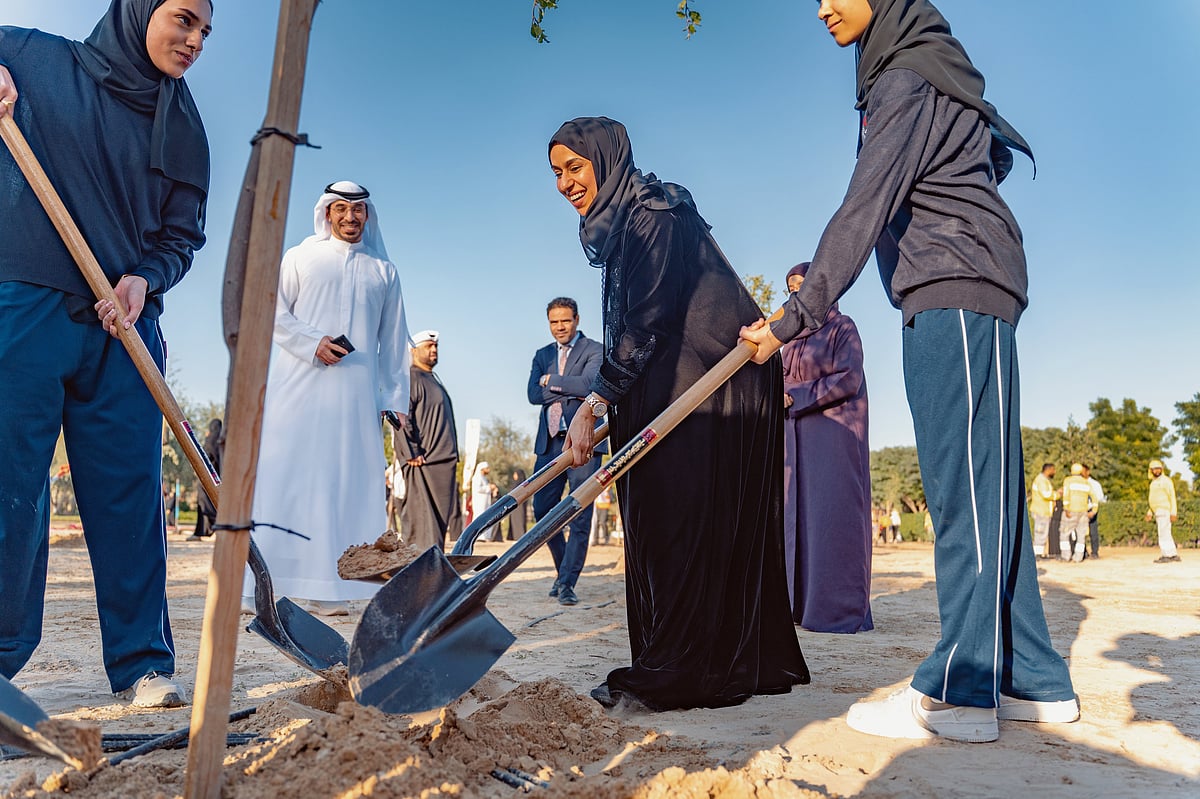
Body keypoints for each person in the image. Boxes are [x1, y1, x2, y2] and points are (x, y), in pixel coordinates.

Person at [740, 0, 1078, 741]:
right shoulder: (930, 65)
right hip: (976, 283)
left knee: (962, 489)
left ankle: (960, 687)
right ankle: (1034, 676)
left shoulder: (905, 79)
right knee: (993, 488)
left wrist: (792, 317)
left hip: (951, 286)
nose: (823, 7)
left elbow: (865, 205)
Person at [551, 116, 809, 710]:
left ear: (606, 161)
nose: (565, 183)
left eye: (574, 167)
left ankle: (685, 669)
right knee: (663, 519)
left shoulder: (652, 214)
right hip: (675, 380)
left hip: (717, 382)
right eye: (557, 173)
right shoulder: (624, 222)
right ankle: (689, 658)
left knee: (683, 522)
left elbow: (646, 322)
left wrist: (594, 403)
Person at [0, 0, 213, 709]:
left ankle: (142, 663)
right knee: (11, 487)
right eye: (184, 18)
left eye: (205, 31)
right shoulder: (33, 56)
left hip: (123, 327)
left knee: (130, 498)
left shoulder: (185, 127)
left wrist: (144, 278)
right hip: (23, 304)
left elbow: (182, 237)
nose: (194, 39)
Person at [246, 180, 411, 616]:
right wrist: (311, 341)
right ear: (326, 213)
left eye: (358, 210)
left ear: (368, 216)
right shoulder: (300, 257)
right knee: (287, 475)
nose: (350, 218)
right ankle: (260, 585)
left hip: (356, 397)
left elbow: (393, 342)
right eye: (341, 209)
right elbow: (271, 312)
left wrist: (396, 397)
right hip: (297, 387)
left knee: (346, 481)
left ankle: (337, 588)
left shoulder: (384, 272)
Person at [780, 262, 873, 633]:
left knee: (830, 515)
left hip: (833, 434)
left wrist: (795, 394)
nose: (795, 295)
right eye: (790, 288)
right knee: (794, 516)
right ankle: (796, 605)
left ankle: (835, 610)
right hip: (792, 436)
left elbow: (849, 377)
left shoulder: (842, 326)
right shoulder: (788, 339)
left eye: (802, 286)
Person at [527, 297, 605, 605]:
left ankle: (568, 584)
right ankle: (562, 573)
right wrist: (566, 385)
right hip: (549, 443)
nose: (560, 326)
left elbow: (591, 384)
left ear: (576, 319)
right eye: (554, 322)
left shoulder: (595, 350)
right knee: (542, 509)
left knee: (579, 512)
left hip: (585, 440)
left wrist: (553, 382)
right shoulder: (541, 354)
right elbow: (533, 393)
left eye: (565, 320)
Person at [393, 330, 462, 551]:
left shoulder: (431, 378)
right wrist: (410, 451)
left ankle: (433, 573)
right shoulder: (410, 377)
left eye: (436, 346)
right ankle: (418, 577)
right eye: (428, 346)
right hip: (423, 463)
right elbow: (400, 415)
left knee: (436, 528)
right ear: (413, 350)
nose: (434, 350)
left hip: (441, 463)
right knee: (422, 525)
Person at [191, 418, 222, 538]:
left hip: (206, 480)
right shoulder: (222, 441)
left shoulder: (210, 441)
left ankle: (203, 531)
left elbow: (204, 458)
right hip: (218, 480)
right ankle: (210, 529)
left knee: (204, 505)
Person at [1059, 464, 1095, 563]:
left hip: (1071, 511)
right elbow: (1094, 497)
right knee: (1081, 535)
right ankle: (1078, 558)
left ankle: (1066, 556)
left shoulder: (1068, 480)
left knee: (1064, 533)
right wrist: (1093, 510)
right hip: (1083, 512)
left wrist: (1066, 509)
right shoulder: (1086, 482)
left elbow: (1066, 495)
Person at [1146, 459, 1180, 563]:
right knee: (1166, 533)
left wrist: (1173, 512)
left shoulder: (1166, 481)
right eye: (1154, 469)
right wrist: (1150, 512)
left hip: (1164, 510)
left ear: (1162, 469)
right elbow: (1152, 500)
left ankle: (1166, 555)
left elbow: (1172, 497)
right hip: (1157, 511)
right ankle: (1173, 554)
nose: (1156, 471)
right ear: (1150, 470)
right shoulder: (1153, 483)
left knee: (1163, 533)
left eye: (1158, 468)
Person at [1028, 463, 1057, 558]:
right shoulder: (1041, 480)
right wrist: (1058, 494)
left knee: (1043, 533)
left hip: (1043, 511)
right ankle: (1037, 555)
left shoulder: (1044, 480)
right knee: (1040, 533)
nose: (1054, 472)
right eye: (1053, 470)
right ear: (1048, 470)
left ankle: (1040, 553)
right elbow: (1046, 494)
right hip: (1041, 511)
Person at [1080, 463, 1105, 560]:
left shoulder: (1095, 484)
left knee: (1093, 532)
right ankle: (1083, 552)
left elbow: (1099, 498)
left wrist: (1092, 510)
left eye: (1082, 471)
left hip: (1091, 509)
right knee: (1080, 532)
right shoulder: (1078, 483)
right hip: (1080, 510)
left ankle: (1095, 552)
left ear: (1087, 472)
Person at [471, 462, 497, 542]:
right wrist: (489, 487)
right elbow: (478, 489)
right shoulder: (477, 478)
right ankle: (478, 536)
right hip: (479, 502)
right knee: (479, 517)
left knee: (485, 517)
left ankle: (485, 536)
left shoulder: (484, 478)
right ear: (482, 469)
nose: (488, 470)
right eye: (487, 468)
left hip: (485, 502)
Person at [507, 467, 528, 541]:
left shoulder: (520, 484)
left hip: (519, 506)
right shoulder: (517, 484)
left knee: (519, 520)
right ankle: (514, 536)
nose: (514, 476)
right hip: (515, 505)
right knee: (514, 520)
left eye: (515, 474)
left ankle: (519, 536)